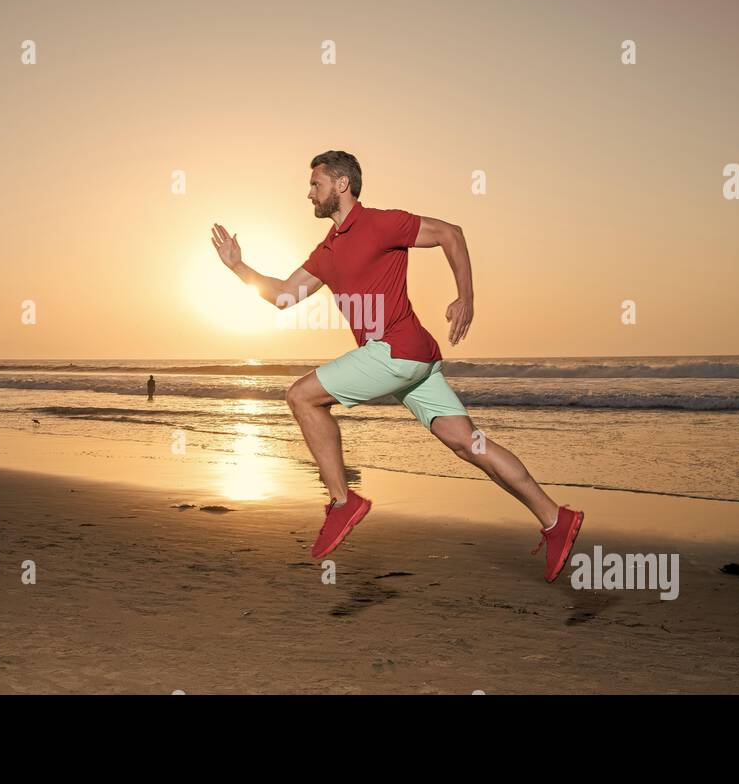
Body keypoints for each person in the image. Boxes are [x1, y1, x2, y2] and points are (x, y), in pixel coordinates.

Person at [210, 150, 583, 582]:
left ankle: (342, 501)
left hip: (395, 350)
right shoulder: (327, 250)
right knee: (469, 444)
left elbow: (451, 233)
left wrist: (466, 297)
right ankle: (555, 520)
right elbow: (282, 296)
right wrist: (238, 266)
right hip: (416, 361)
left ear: (341, 185)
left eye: (315, 184)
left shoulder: (381, 223)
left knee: (301, 396)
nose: (309, 193)